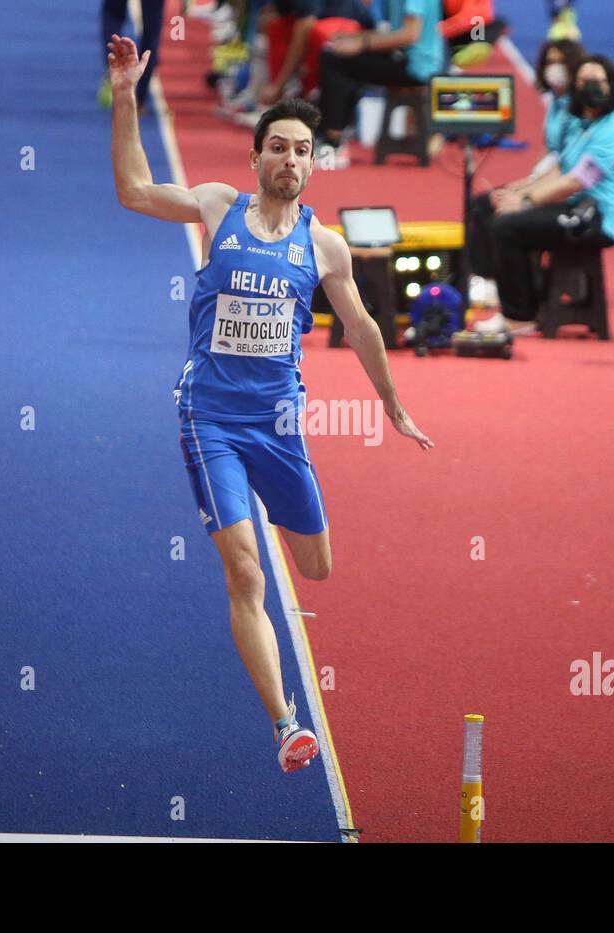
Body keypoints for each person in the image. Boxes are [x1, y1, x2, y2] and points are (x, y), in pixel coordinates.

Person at [108, 35, 434, 772]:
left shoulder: (325, 246)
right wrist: (127, 93)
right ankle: (286, 723)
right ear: (255, 158)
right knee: (249, 575)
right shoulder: (218, 206)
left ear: (313, 164)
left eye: (302, 150)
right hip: (212, 417)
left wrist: (393, 404)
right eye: (278, 147)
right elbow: (132, 189)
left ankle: (267, 541)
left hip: (280, 425)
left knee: (315, 569)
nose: (290, 159)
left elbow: (362, 326)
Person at [479, 54, 614, 332]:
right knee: (488, 206)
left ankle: (519, 316)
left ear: (612, 86)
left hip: (596, 220)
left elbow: (576, 182)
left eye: (597, 80)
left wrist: (525, 202)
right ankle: (497, 286)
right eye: (584, 80)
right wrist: (521, 189)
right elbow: (559, 169)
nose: (590, 86)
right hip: (573, 208)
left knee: (507, 226)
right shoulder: (581, 125)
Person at [466, 37, 584, 322]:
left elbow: (567, 168)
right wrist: (526, 181)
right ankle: (489, 281)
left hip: (563, 193)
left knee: (501, 217)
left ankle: (516, 303)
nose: (555, 68)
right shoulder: (556, 103)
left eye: (561, 62)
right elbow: (548, 152)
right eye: (550, 62)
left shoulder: (578, 109)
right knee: (483, 203)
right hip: (545, 179)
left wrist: (526, 194)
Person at [313, 0, 446, 166]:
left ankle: (333, 142)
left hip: (416, 67)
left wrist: (361, 44)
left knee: (334, 60)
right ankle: (337, 133)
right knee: (339, 56)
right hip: (404, 59)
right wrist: (355, 38)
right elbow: (390, 32)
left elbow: (410, 35)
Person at [255, 0, 376, 107]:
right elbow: (277, 16)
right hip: (321, 21)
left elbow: (302, 36)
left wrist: (278, 85)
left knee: (317, 33)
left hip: (355, 27)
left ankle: (309, 100)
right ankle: (279, 97)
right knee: (275, 26)